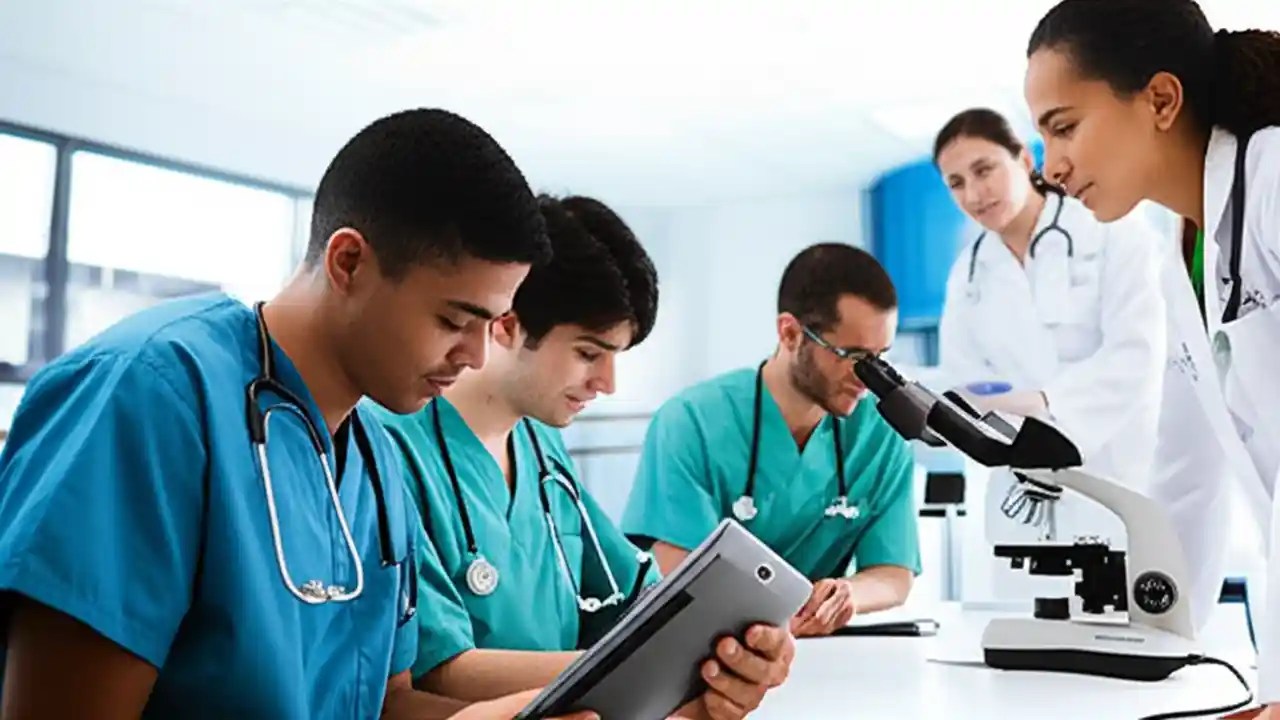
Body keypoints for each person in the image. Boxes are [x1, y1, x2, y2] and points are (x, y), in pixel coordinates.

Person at [0, 108, 597, 720]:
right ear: (348, 264)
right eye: (452, 320)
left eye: (488, 326)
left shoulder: (373, 459)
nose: (474, 357)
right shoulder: (149, 396)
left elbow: (383, 703)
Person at [370, 194, 794, 719]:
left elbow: (637, 597)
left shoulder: (541, 444)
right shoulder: (390, 446)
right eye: (589, 354)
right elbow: (440, 668)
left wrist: (733, 648)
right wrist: (645, 662)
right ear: (506, 323)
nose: (607, 384)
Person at [1023, 0, 1280, 715]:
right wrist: (1159, 640)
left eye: (1064, 127)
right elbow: (1186, 466)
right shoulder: (1182, 254)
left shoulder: (1275, 182)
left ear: (1161, 99)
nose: (1053, 167)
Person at [621, 243, 921, 637]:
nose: (867, 378)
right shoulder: (691, 421)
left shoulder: (880, 433)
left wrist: (848, 594)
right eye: (852, 355)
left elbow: (893, 572)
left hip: (817, 652)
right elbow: (679, 568)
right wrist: (775, 619)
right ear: (791, 333)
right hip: (711, 646)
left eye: (880, 357)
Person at [932, 108, 1167, 565]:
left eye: (984, 170)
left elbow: (1137, 353)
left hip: (1119, 472)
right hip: (1022, 490)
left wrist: (1043, 400)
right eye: (956, 183)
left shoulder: (1111, 229)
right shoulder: (968, 274)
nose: (975, 194)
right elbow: (964, 380)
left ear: (1023, 160)